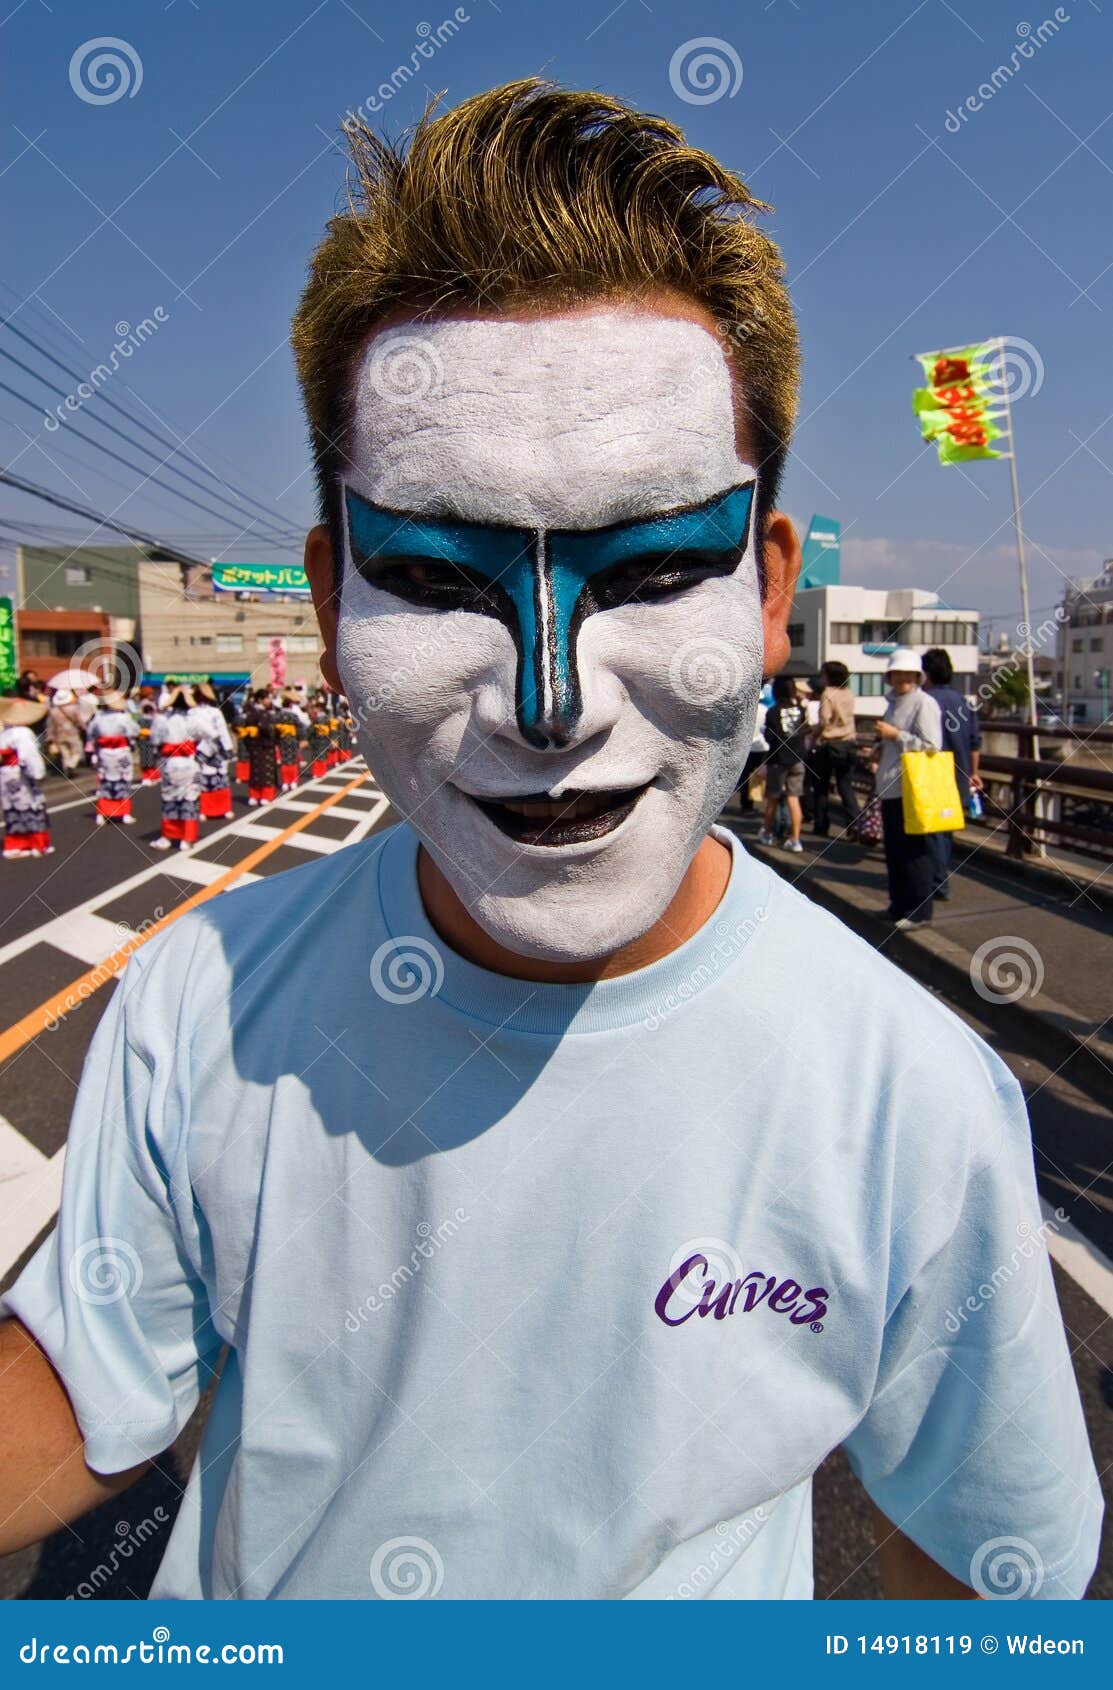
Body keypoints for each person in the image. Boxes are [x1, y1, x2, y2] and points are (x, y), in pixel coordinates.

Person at [0, 82, 1099, 1604]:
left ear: (768, 594)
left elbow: (982, 1577)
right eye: (436, 580)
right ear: (330, 600)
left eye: (650, 569)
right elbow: (88, 1384)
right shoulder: (202, 996)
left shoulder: (910, 1092)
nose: (550, 703)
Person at [874, 648, 943, 929]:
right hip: (891, 784)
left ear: (917, 676)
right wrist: (880, 747)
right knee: (894, 851)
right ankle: (898, 905)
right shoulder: (893, 702)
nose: (902, 678)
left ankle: (920, 911)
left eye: (908, 674)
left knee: (914, 852)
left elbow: (932, 746)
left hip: (911, 788)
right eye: (897, 673)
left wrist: (895, 735)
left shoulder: (923, 703)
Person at [921, 647, 982, 902]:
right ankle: (939, 876)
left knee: (930, 831)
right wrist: (974, 772)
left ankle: (937, 881)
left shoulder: (925, 700)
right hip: (959, 772)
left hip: (931, 772)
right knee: (945, 830)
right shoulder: (963, 702)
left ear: (926, 673)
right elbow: (974, 742)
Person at [149, 686, 203, 851]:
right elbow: (205, 734)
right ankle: (187, 838)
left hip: (170, 763)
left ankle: (168, 836)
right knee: (190, 799)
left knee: (170, 799)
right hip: (189, 762)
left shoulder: (161, 719)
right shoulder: (194, 719)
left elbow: (154, 740)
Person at [811, 660, 861, 837]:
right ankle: (855, 825)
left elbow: (824, 721)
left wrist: (813, 735)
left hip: (829, 745)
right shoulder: (849, 693)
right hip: (849, 743)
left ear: (828, 676)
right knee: (845, 786)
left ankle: (821, 824)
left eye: (823, 674)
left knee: (821, 787)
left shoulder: (827, 693)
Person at [758, 675, 807, 852]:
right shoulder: (799, 710)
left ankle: (767, 833)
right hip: (798, 759)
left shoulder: (773, 711)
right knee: (794, 799)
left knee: (772, 799)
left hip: (778, 760)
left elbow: (769, 737)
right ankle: (795, 840)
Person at [0, 695, 53, 858]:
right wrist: (38, 773)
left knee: (12, 806)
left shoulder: (4, 733)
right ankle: (36, 844)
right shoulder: (23, 733)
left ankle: (15, 844)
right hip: (19, 773)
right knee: (30, 804)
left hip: (4, 774)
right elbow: (28, 756)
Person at [85, 689, 138, 827]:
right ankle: (124, 813)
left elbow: (91, 734)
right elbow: (134, 731)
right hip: (122, 753)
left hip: (104, 753)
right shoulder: (123, 717)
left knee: (104, 780)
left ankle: (102, 813)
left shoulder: (98, 717)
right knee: (124, 778)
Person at [192, 681, 235, 820]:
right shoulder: (194, 712)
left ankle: (220, 808)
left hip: (212, 747)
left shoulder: (212, 712)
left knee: (217, 776)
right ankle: (207, 809)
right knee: (206, 777)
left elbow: (222, 731)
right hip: (203, 747)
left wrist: (227, 747)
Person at [242, 688, 279, 805]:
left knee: (261, 770)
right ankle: (258, 795)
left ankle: (261, 795)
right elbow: (264, 728)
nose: (269, 700)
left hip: (261, 745)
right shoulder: (256, 712)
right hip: (260, 744)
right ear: (260, 700)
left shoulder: (258, 712)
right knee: (260, 771)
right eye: (267, 698)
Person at [45, 688, 85, 775]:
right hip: (72, 733)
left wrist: (50, 736)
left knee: (65, 753)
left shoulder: (53, 711)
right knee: (77, 751)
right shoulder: (73, 709)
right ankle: (71, 765)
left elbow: (50, 726)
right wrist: (83, 727)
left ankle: (67, 769)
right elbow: (80, 721)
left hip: (59, 735)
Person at [273, 689, 305, 789]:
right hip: (292, 740)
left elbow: (274, 729)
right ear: (290, 705)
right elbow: (300, 727)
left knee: (284, 761)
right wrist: (302, 739)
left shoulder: (277, 716)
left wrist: (275, 740)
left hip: (282, 740)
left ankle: (285, 781)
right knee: (293, 760)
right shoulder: (293, 716)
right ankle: (293, 781)